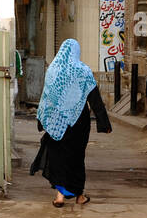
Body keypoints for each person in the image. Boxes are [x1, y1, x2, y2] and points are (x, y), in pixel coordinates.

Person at [30, 39, 111, 207]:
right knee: (76, 158)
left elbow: (46, 98)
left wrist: (42, 121)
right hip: (78, 122)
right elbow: (94, 98)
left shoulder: (53, 69)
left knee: (58, 158)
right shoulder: (83, 71)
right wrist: (104, 123)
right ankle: (79, 196)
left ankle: (59, 196)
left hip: (56, 121)